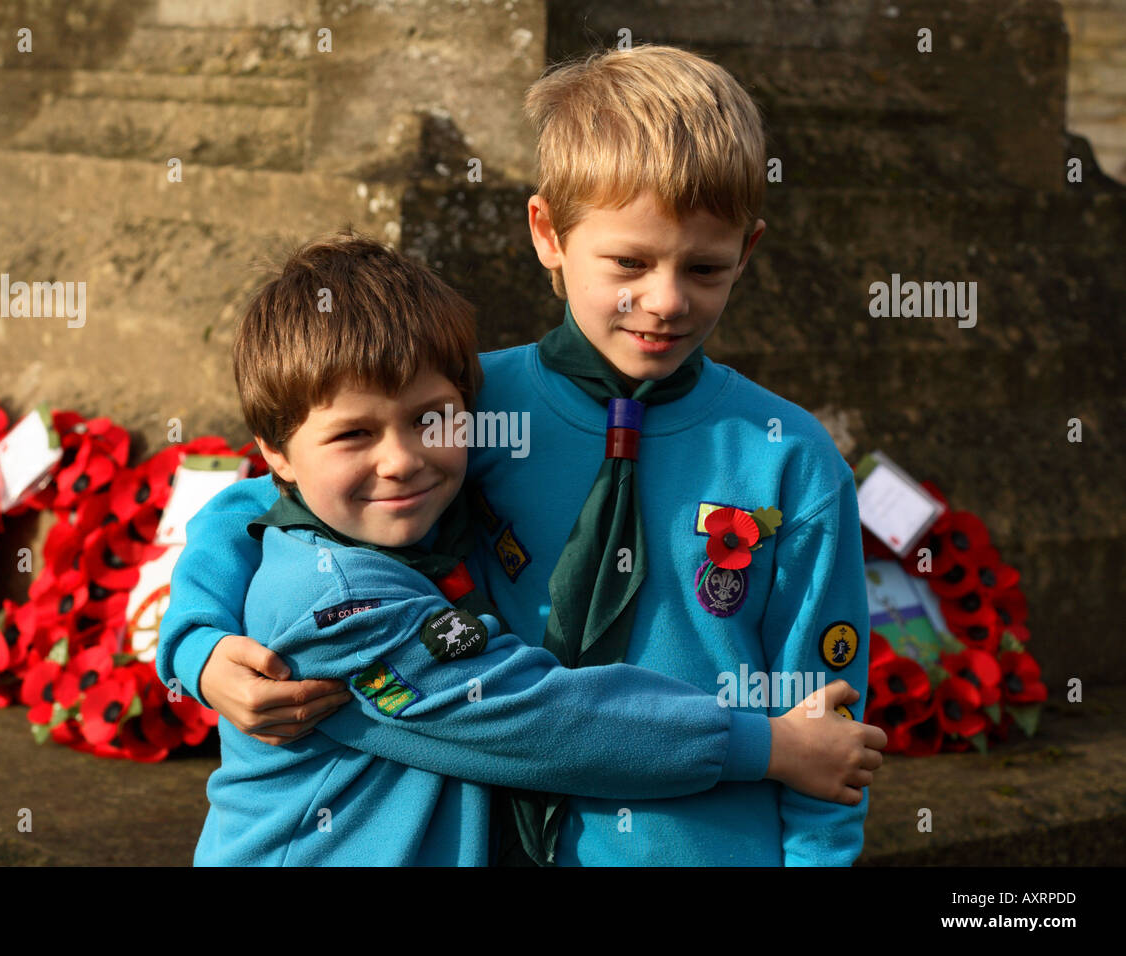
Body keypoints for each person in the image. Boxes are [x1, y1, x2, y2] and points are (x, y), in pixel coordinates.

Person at [161, 44, 886, 865]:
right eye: (628, 262)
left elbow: (825, 725)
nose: (667, 300)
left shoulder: (787, 458)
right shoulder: (461, 406)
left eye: (706, 268)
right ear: (547, 232)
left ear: (748, 251)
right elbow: (266, 508)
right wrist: (199, 647)